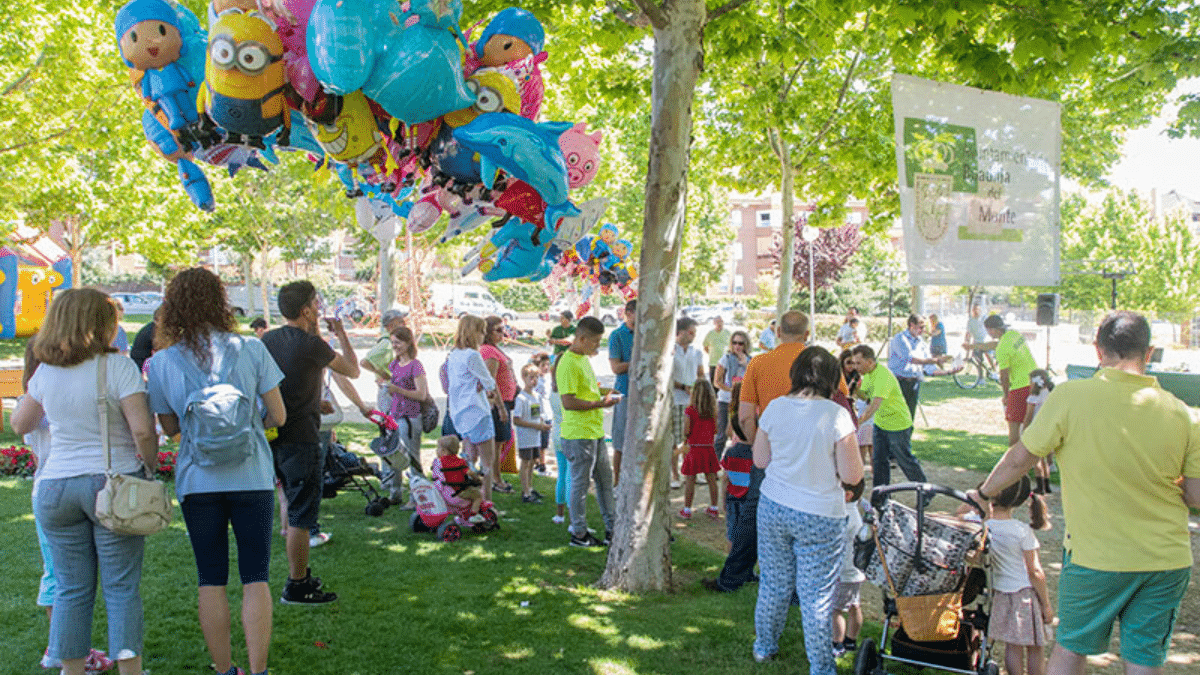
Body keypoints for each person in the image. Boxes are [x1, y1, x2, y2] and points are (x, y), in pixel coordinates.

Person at [969, 311, 1200, 675]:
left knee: (1071, 650)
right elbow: (1195, 496)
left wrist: (984, 493)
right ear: (1150, 351)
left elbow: (1020, 459)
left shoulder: (1071, 396)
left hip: (1096, 556)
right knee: (1143, 662)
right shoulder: (1181, 413)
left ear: (1098, 349)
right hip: (1165, 559)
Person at [145, 267, 285, 675]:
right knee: (255, 576)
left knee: (211, 578)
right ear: (221, 301)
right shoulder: (251, 349)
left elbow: (170, 428)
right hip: (252, 475)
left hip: (198, 480)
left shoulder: (162, 362)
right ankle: (258, 670)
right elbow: (278, 413)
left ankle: (225, 669)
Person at [11, 289, 159, 675]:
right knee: (121, 588)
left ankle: (71, 669)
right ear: (102, 324)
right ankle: (130, 669)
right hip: (111, 485)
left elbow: (20, 424)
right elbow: (143, 431)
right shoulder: (119, 368)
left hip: (56, 486)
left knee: (71, 590)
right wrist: (148, 466)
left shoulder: (46, 371)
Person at [751, 346, 863, 671]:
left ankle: (764, 647)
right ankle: (820, 666)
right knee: (816, 595)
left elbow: (760, 460)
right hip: (820, 513)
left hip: (774, 505)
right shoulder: (836, 415)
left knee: (774, 582)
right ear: (831, 378)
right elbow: (853, 475)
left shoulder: (774, 408)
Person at [261, 280, 359, 605]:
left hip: (270, 435)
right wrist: (341, 333)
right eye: (316, 302)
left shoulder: (267, 340)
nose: (320, 307)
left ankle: (298, 577)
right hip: (301, 439)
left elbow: (282, 383)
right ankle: (297, 584)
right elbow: (353, 370)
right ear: (306, 310)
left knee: (287, 501)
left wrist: (313, 402)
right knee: (302, 517)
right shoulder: (311, 344)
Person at [978, 476, 1054, 675]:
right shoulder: (1021, 531)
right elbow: (1035, 571)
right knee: (1036, 646)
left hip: (1001, 594)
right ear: (1020, 500)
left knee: (1013, 646)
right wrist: (1046, 604)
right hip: (1025, 594)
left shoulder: (985, 527)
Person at [557, 316, 619, 547]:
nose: (597, 346)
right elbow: (569, 402)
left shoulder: (582, 359)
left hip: (594, 431)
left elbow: (585, 392)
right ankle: (579, 533)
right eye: (594, 341)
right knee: (580, 484)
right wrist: (600, 404)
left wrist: (602, 395)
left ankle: (612, 528)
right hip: (578, 434)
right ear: (581, 338)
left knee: (605, 480)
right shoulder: (568, 362)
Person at [701, 382, 761, 593]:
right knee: (751, 536)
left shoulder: (731, 453)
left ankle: (732, 566)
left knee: (732, 535)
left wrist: (723, 500)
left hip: (734, 499)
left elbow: (725, 478)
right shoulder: (757, 456)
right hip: (749, 500)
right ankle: (746, 571)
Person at [851, 344, 927, 488]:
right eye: (854, 363)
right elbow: (866, 397)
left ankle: (925, 491)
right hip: (881, 424)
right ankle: (881, 496)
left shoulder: (882, 376)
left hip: (898, 425)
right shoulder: (867, 375)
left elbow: (874, 405)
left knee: (905, 460)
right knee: (879, 461)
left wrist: (858, 422)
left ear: (870, 362)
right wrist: (854, 389)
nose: (856, 366)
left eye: (858, 363)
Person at [445, 315, 503, 504]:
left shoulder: (453, 354)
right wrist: (484, 386)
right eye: (481, 331)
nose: (483, 335)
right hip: (477, 411)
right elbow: (489, 382)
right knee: (487, 463)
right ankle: (486, 503)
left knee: (469, 459)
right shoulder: (472, 355)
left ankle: (470, 500)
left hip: (459, 412)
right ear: (474, 332)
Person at [738, 310, 810, 445]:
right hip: (812, 450)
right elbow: (841, 405)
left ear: (778, 332)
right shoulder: (824, 362)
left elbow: (745, 416)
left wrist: (757, 445)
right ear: (806, 335)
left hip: (771, 445)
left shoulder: (758, 363)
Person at [970, 315, 1038, 446]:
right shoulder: (1013, 334)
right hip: (1035, 381)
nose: (988, 333)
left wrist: (1006, 395)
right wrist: (974, 346)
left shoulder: (1002, 349)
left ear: (993, 330)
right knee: (1032, 423)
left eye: (988, 330)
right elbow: (996, 344)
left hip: (1020, 386)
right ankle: (1043, 461)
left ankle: (1013, 459)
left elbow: (1004, 376)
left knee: (1014, 425)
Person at [887, 314, 951, 418]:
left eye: (925, 327)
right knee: (896, 417)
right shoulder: (900, 338)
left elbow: (929, 369)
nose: (923, 330)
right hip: (899, 383)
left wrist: (949, 372)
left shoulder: (921, 342)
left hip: (914, 383)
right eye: (921, 327)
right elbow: (911, 359)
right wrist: (936, 360)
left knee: (909, 418)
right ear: (912, 325)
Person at [482, 315, 518, 493]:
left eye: (503, 329)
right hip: (498, 403)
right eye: (498, 330)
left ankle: (496, 477)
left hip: (506, 400)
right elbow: (491, 381)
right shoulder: (489, 351)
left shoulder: (495, 349)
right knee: (496, 443)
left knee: (501, 441)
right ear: (487, 332)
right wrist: (500, 407)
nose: (502, 333)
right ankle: (496, 480)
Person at [386, 326, 427, 475]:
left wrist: (397, 390)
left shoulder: (415, 365)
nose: (394, 346)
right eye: (393, 343)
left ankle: (417, 492)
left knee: (412, 456)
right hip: (395, 415)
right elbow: (393, 392)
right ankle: (394, 492)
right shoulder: (394, 364)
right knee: (394, 455)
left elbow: (421, 395)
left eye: (398, 342)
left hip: (410, 417)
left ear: (408, 343)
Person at [676, 379, 720, 520]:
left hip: (693, 449)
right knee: (712, 479)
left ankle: (687, 509)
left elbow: (686, 431)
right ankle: (714, 507)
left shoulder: (690, 411)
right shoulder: (713, 411)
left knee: (690, 479)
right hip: (708, 448)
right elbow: (715, 430)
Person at [671, 316, 706, 487]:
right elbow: (666, 377)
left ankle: (691, 471)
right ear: (682, 331)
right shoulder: (671, 350)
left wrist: (700, 388)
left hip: (693, 402)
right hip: (675, 400)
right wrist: (683, 386)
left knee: (691, 439)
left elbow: (701, 373)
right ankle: (675, 475)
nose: (694, 336)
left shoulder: (696, 352)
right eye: (692, 332)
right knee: (675, 439)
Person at [831, 494, 865, 658]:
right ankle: (851, 640)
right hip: (856, 573)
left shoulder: (845, 517)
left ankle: (837, 643)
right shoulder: (857, 515)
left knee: (835, 610)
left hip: (843, 574)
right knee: (854, 605)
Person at [358, 309, 408, 415]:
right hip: (389, 393)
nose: (404, 324)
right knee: (393, 426)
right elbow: (364, 362)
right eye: (400, 322)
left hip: (395, 391)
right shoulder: (387, 344)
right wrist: (382, 373)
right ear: (390, 325)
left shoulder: (393, 341)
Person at [607, 299, 635, 486]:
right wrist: (638, 362)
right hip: (624, 393)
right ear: (628, 313)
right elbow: (616, 367)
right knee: (620, 443)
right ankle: (617, 482)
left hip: (643, 393)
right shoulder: (617, 335)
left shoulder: (646, 334)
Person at [512, 364, 549, 503]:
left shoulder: (537, 396)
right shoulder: (521, 398)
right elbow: (516, 419)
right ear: (524, 378)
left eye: (537, 377)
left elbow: (539, 414)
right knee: (525, 463)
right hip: (526, 437)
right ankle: (525, 492)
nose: (534, 380)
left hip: (536, 436)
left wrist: (542, 424)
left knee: (533, 462)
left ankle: (530, 487)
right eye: (531, 377)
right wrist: (536, 425)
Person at [713, 329, 751, 457]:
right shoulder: (726, 358)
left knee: (742, 434)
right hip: (726, 400)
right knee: (722, 434)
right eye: (734, 343)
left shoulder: (750, 360)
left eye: (741, 343)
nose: (737, 346)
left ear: (746, 344)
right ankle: (714, 464)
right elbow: (717, 382)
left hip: (744, 401)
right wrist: (732, 390)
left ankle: (737, 462)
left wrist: (745, 364)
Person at [430, 435, 485, 523]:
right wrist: (477, 478)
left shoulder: (438, 463)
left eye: (438, 448)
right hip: (457, 494)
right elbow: (470, 473)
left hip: (443, 493)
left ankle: (464, 517)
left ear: (444, 451)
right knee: (478, 496)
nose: (437, 450)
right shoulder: (460, 462)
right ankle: (473, 515)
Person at [1022, 369, 1055, 495]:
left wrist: (1025, 429)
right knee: (1045, 458)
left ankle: (1040, 486)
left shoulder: (1034, 397)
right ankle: (1047, 484)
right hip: (1048, 428)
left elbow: (1029, 416)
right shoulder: (1050, 394)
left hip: (1037, 429)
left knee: (1036, 459)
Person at [840, 349, 872, 469]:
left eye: (854, 363)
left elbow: (858, 394)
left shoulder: (855, 376)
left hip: (849, 408)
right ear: (842, 362)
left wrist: (868, 397)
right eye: (848, 362)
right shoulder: (838, 375)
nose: (851, 366)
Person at [962, 304, 996, 370]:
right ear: (972, 310)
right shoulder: (970, 321)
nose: (976, 311)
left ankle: (994, 369)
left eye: (978, 309)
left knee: (988, 354)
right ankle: (979, 374)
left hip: (985, 341)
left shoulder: (984, 318)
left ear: (980, 310)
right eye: (974, 309)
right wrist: (966, 341)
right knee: (976, 359)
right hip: (976, 342)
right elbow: (968, 332)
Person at [702, 315, 731, 383]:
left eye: (721, 321)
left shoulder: (728, 333)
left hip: (725, 364)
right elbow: (705, 346)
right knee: (713, 383)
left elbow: (732, 346)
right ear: (714, 323)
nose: (720, 323)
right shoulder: (710, 333)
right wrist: (712, 354)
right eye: (717, 322)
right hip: (713, 363)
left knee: (724, 383)